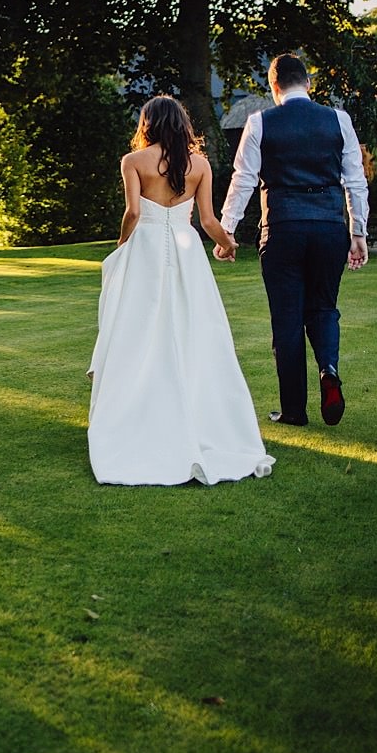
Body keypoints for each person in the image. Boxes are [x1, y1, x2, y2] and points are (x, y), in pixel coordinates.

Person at [87, 95, 275, 486]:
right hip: (188, 254)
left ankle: (138, 416)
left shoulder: (133, 162)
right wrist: (227, 242)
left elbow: (134, 214)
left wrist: (122, 245)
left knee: (138, 330)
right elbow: (207, 221)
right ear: (182, 125)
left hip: (145, 251)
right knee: (194, 330)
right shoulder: (200, 165)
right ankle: (201, 418)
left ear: (148, 124)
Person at [216, 53, 369, 427]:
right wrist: (358, 231)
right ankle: (328, 368)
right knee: (323, 307)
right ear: (309, 83)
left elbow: (244, 180)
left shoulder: (259, 122)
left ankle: (294, 411)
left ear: (274, 87)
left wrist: (226, 230)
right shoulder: (339, 120)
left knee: (286, 319)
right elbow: (355, 180)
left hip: (282, 228)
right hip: (329, 227)